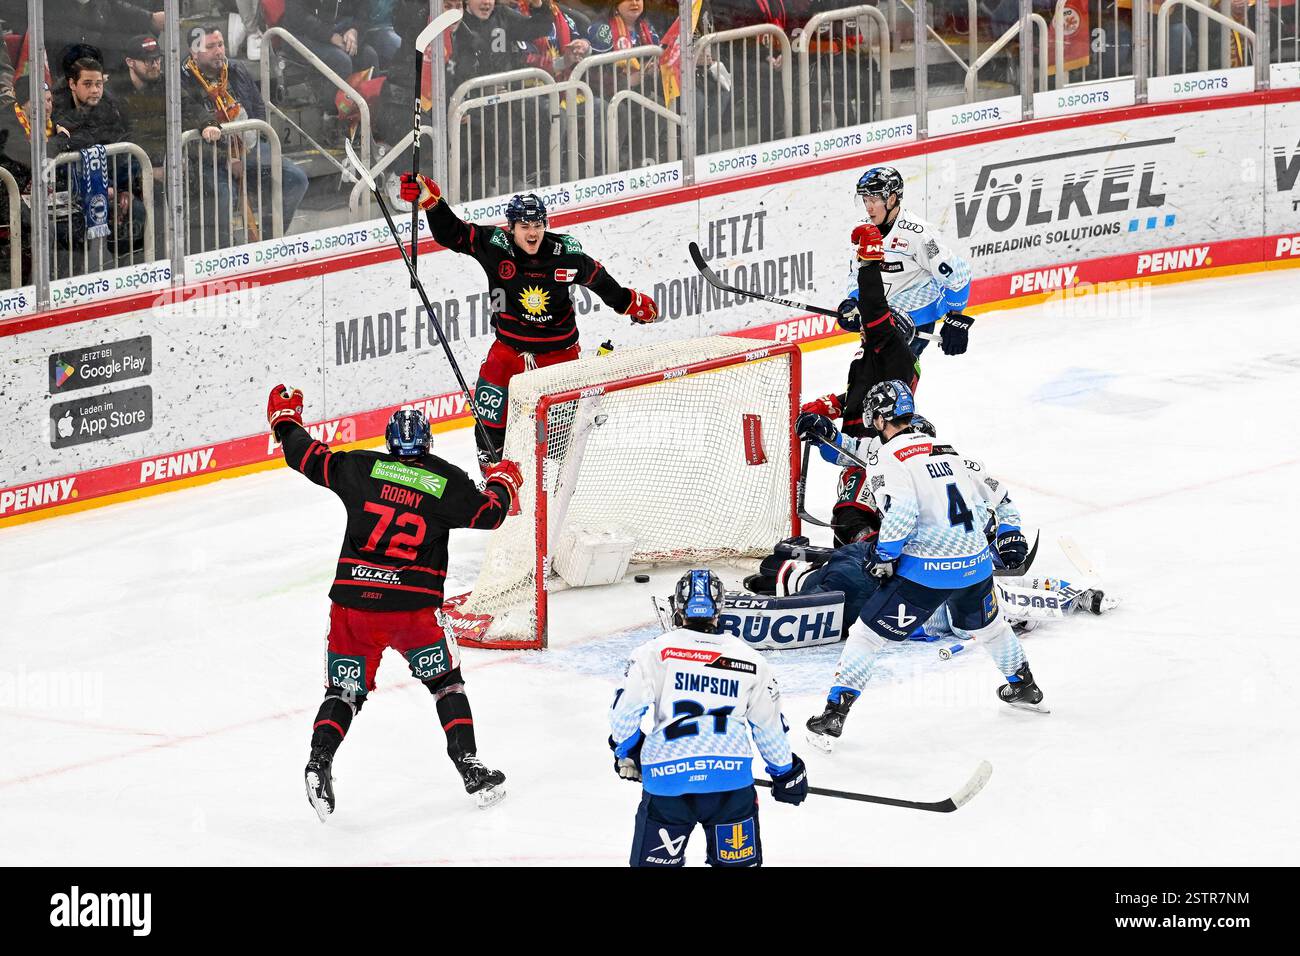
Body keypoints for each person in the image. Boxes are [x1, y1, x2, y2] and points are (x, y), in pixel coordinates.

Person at [265, 386, 525, 816]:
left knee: (344, 692)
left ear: (390, 442)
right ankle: (469, 766)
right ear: (427, 442)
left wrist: (285, 419)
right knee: (446, 684)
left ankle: (320, 760)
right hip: (412, 613)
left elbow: (303, 455)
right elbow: (491, 514)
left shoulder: (360, 468)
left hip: (353, 610)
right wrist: (502, 481)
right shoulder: (446, 481)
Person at [803, 379, 1048, 752]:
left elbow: (901, 510)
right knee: (993, 629)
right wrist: (1010, 532)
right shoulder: (950, 452)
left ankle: (835, 713)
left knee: (867, 636)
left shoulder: (890, 456)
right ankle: (1024, 686)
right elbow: (1002, 497)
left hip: (927, 571)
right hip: (976, 567)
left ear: (881, 417)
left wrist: (884, 557)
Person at [401, 174, 659, 467]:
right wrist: (431, 203)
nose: (532, 232)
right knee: (488, 424)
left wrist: (630, 303)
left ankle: (552, 486)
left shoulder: (565, 254)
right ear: (511, 228)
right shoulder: (495, 245)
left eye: (538, 225)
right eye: (524, 226)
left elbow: (600, 281)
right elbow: (454, 234)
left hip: (559, 357)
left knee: (556, 440)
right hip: (508, 352)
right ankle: (495, 489)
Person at [608, 569, 808, 867]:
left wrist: (630, 750)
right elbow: (768, 728)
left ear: (677, 608)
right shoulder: (751, 660)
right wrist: (786, 774)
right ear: (720, 609)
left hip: (667, 785)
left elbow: (624, 717)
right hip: (729, 786)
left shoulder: (653, 652)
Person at [798, 216, 918, 546]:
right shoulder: (875, 359)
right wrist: (831, 406)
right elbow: (861, 393)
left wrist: (869, 263)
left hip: (878, 447)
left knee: (853, 519)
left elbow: (875, 307)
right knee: (849, 521)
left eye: (872, 324)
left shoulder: (894, 350)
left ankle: (885, 560)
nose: (864, 326)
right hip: (861, 446)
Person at [180, 26, 310, 241]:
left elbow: (258, 108)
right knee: (224, 195)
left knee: (296, 178)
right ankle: (220, 252)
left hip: (248, 149)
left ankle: (267, 240)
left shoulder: (236, 69)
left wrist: (247, 146)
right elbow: (189, 127)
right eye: (210, 47)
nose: (219, 51)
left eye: (220, 44)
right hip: (208, 158)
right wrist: (227, 156)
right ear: (194, 52)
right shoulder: (183, 80)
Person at [844, 165, 974, 359]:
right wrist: (853, 302)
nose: (868, 206)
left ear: (892, 199)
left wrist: (956, 320)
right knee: (866, 377)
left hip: (913, 324)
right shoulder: (862, 230)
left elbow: (958, 274)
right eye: (864, 200)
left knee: (887, 381)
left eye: (873, 199)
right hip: (878, 321)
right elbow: (856, 274)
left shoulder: (919, 235)